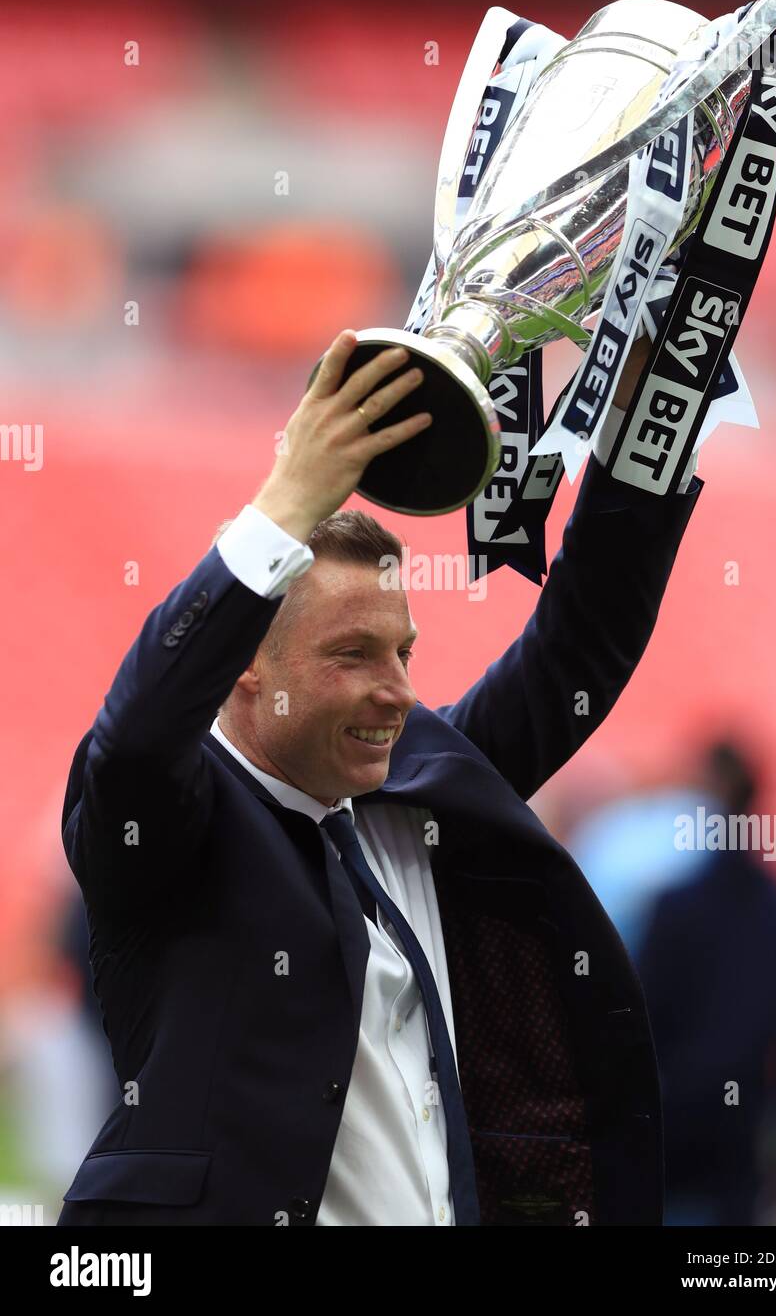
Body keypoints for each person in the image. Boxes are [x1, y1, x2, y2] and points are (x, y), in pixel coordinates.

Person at [57, 328, 702, 1226]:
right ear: (243, 661)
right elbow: (132, 741)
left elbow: (576, 651)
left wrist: (653, 411)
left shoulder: (414, 796)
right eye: (353, 655)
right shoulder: (172, 821)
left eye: (403, 651)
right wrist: (287, 502)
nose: (398, 693)